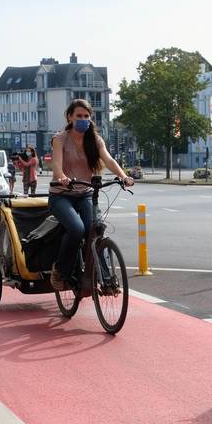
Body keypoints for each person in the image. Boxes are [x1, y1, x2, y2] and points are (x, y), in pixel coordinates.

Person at [49, 98, 134, 290]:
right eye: (79, 116)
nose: (83, 119)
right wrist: (62, 176)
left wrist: (123, 176)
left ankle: (105, 279)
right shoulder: (60, 138)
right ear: (69, 117)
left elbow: (109, 160)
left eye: (86, 116)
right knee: (77, 229)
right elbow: (56, 164)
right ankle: (60, 270)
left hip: (85, 193)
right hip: (62, 195)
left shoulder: (95, 140)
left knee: (95, 231)